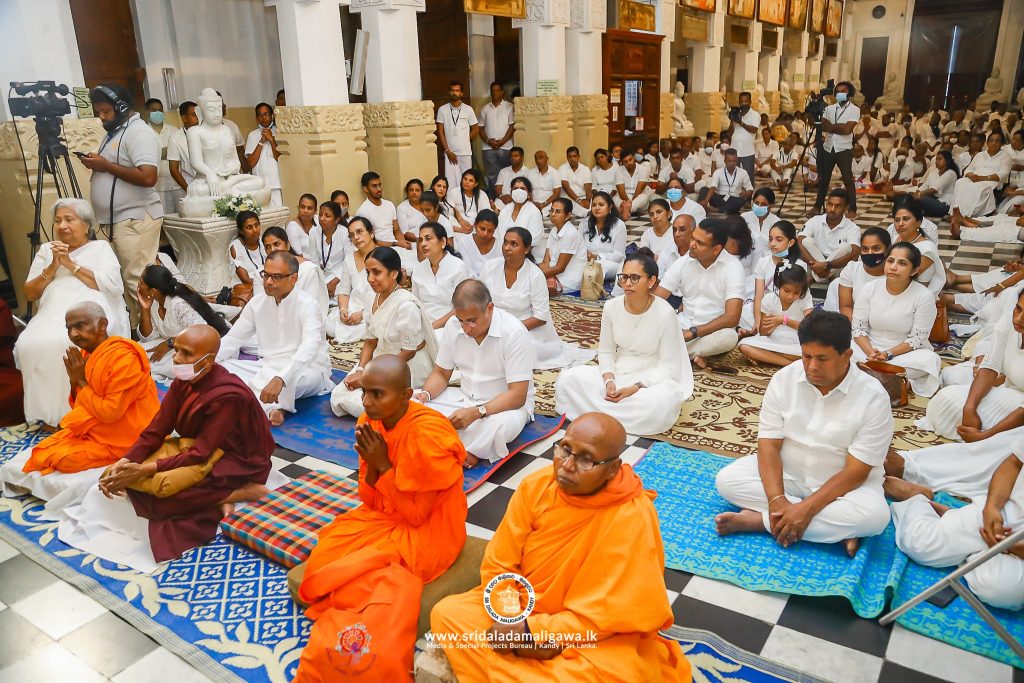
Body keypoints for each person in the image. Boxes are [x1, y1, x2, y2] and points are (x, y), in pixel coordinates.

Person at [430, 412, 691, 682]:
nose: (566, 465)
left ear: (613, 468)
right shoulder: (537, 486)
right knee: (448, 615)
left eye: (586, 459)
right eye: (564, 449)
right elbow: (500, 564)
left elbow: (615, 615)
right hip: (523, 609)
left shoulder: (633, 517)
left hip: (591, 635)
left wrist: (536, 632)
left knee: (614, 673)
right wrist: (510, 618)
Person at [295, 355, 468, 681]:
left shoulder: (428, 434)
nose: (367, 402)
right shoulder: (368, 423)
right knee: (327, 557)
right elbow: (370, 499)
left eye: (378, 394)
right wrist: (374, 465)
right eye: (365, 393)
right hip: (386, 514)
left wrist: (384, 465)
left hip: (430, 528)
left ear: (405, 395)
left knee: (364, 575)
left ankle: (362, 651)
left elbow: (418, 515)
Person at [58, 324, 276, 569]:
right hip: (200, 447)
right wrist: (125, 461)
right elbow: (157, 429)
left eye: (187, 354)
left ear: (209, 360)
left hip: (239, 459)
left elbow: (201, 453)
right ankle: (217, 495)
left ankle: (243, 492)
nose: (177, 358)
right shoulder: (184, 381)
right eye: (177, 349)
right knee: (134, 483)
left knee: (168, 498)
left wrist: (146, 469)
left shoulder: (228, 395)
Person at [716, 311, 893, 556]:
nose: (812, 366)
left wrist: (806, 510)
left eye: (822, 358)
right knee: (727, 481)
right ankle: (830, 532)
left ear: (847, 356)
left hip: (843, 488)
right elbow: (767, 445)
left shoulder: (873, 397)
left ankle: (760, 522)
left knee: (876, 517)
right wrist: (777, 499)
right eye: (806, 356)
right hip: (789, 475)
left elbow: (856, 472)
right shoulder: (783, 379)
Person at [1, 302, 159, 510]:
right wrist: (75, 381)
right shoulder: (87, 355)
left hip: (130, 433)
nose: (74, 333)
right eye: (69, 328)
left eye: (80, 326)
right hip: (100, 428)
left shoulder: (124, 356)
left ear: (102, 324)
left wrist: (80, 381)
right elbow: (79, 405)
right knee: (44, 449)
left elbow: (111, 412)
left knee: (64, 459)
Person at [16, 199, 129, 426]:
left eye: (69, 219)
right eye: (58, 221)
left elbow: (113, 286)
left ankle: (82, 410)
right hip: (52, 310)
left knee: (66, 341)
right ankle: (50, 415)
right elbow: (30, 293)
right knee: (28, 343)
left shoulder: (101, 248)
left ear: (86, 225)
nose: (62, 225)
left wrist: (70, 264)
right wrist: (53, 265)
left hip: (88, 310)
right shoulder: (47, 250)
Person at [555, 251, 693, 435]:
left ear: (651, 281)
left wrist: (635, 388)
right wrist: (609, 379)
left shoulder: (665, 313)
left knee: (663, 401)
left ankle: (602, 413)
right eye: (624, 277)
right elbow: (606, 352)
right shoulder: (612, 306)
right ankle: (617, 414)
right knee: (568, 380)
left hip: (650, 378)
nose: (627, 283)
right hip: (619, 371)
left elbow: (669, 366)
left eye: (635, 278)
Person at [414, 280, 535, 468]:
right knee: (412, 406)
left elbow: (518, 396)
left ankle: (460, 447)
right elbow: (441, 373)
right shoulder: (453, 327)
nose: (466, 328)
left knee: (499, 428)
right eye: (461, 320)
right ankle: (460, 446)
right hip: (463, 399)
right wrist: (426, 394)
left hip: (504, 407)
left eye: (472, 320)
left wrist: (478, 412)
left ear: (490, 308)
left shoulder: (514, 332)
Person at [891, 451, 1024, 610]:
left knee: (1003, 593)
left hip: (1017, 547)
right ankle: (917, 497)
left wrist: (1010, 547)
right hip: (1004, 516)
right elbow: (1014, 462)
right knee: (921, 543)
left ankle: (968, 540)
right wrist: (992, 507)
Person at [218, 251, 334, 425]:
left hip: (307, 370)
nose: (268, 282)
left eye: (276, 277)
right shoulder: (257, 303)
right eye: (266, 275)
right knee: (223, 368)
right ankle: (272, 407)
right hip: (266, 367)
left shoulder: (308, 306)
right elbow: (233, 339)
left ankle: (270, 406)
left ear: (293, 279)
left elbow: (309, 349)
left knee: (292, 382)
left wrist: (282, 378)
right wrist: (209, 362)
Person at [82, 83, 163, 328]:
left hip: (135, 219)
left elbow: (148, 177)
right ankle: (139, 333)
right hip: (119, 222)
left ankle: (157, 335)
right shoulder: (116, 132)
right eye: (98, 112)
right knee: (126, 284)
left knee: (138, 281)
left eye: (106, 111)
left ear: (121, 107)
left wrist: (105, 166)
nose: (102, 117)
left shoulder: (139, 133)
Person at [331, 247, 438, 417]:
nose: (371, 279)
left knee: (370, 403)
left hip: (404, 369)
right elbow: (370, 341)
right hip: (379, 362)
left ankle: (407, 405)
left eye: (377, 272)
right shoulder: (372, 297)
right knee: (339, 395)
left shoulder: (405, 305)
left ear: (394, 273)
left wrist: (372, 377)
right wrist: (360, 370)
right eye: (368, 273)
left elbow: (408, 352)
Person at [482, 227, 593, 370]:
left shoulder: (535, 275)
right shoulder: (490, 267)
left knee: (520, 349)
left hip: (525, 327)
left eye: (513, 244)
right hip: (493, 322)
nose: (507, 248)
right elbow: (479, 299)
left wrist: (511, 329)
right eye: (505, 243)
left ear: (526, 249)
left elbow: (541, 317)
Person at [923, 289, 1024, 441]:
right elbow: (990, 366)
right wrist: (969, 408)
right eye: (1019, 309)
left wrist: (985, 436)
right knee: (945, 399)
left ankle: (999, 440)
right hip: (1006, 392)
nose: (1019, 318)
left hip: (1020, 407)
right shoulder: (1009, 323)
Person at [852, 242, 941, 397]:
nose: (893, 267)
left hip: (903, 353)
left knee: (930, 360)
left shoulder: (924, 296)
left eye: (902, 263)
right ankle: (889, 376)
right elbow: (858, 328)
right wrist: (871, 354)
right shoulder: (869, 288)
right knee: (840, 348)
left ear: (914, 270)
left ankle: (867, 374)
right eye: (890, 261)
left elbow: (918, 339)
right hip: (867, 349)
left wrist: (887, 354)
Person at [656, 219, 744, 367]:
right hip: (681, 326)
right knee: (653, 321)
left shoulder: (733, 267)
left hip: (712, 332)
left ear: (716, 249)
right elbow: (658, 297)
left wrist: (694, 332)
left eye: (700, 243)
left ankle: (668, 351)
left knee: (729, 337)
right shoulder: (684, 261)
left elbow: (732, 317)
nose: (692, 245)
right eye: (692, 239)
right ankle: (692, 354)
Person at [136, 264, 231, 378]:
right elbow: (149, 338)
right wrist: (145, 309)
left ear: (153, 291)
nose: (138, 285)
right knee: (135, 353)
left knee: (148, 366)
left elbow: (201, 331)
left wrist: (170, 343)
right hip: (173, 345)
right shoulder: (153, 302)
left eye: (141, 282)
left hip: (196, 345)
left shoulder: (177, 305)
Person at [739, 262, 814, 367]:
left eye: (796, 293)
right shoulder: (769, 299)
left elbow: (809, 327)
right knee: (744, 346)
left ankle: (766, 357)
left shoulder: (804, 298)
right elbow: (763, 333)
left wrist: (784, 320)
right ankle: (790, 364)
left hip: (796, 343)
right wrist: (771, 325)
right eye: (786, 291)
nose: (790, 296)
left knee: (812, 352)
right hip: (773, 341)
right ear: (779, 285)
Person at [811, 81, 861, 217]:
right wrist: (837, 126)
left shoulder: (854, 110)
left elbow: (847, 129)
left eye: (843, 91)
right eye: (837, 91)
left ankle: (852, 207)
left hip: (844, 148)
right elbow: (823, 126)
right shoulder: (829, 108)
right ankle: (817, 206)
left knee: (847, 179)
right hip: (829, 146)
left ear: (849, 93)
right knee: (824, 178)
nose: (840, 93)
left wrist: (831, 126)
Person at [325, 217, 377, 342]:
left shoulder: (384, 255)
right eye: (352, 235)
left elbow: (388, 294)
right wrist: (343, 310)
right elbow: (344, 290)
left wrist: (363, 315)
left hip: (376, 309)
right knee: (327, 326)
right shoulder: (349, 259)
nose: (356, 237)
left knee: (377, 326)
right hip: (354, 307)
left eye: (360, 232)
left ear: (371, 233)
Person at [412, 222, 470, 334]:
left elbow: (460, 308)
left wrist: (432, 327)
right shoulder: (418, 269)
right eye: (421, 240)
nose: (423, 244)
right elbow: (415, 304)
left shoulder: (458, 267)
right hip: (422, 325)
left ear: (442, 242)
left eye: (428, 238)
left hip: (451, 325)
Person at [261, 226, 329, 322]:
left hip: (302, 321)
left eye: (277, 244)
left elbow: (310, 306)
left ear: (288, 245)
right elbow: (261, 304)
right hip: (272, 319)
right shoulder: (262, 272)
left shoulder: (308, 270)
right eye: (267, 247)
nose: (272, 250)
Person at [950, 132, 1013, 233]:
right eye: (991, 140)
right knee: (960, 182)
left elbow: (1001, 175)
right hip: (974, 179)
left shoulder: (1006, 157)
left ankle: (967, 216)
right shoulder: (980, 155)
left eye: (997, 141)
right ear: (987, 143)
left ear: (1001, 144)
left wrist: (981, 178)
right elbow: (968, 170)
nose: (994, 143)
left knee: (977, 187)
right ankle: (957, 213)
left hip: (990, 182)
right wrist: (971, 176)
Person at [797, 188, 862, 283]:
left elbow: (855, 253)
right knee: (806, 241)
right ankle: (827, 276)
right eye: (830, 204)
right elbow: (799, 241)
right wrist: (816, 266)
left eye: (838, 206)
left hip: (838, 266)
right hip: (814, 262)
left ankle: (815, 278)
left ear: (846, 208)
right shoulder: (815, 220)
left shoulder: (852, 228)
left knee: (846, 247)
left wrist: (828, 265)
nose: (832, 209)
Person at [825, 227, 891, 317]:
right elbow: (846, 307)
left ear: (888, 250)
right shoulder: (852, 269)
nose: (870, 253)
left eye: (876, 248)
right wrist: (857, 328)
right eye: (865, 249)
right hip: (855, 322)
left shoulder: (894, 272)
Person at [355, 171, 413, 268]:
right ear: (366, 189)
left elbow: (397, 230)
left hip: (396, 246)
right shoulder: (363, 211)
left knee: (420, 261)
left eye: (380, 185)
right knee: (407, 267)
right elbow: (371, 241)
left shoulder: (389, 204)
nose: (379, 189)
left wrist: (403, 244)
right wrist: (396, 244)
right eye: (374, 186)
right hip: (378, 250)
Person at [889, 196, 945, 296]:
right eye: (897, 220)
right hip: (896, 290)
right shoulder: (896, 239)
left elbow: (903, 277)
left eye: (906, 219)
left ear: (918, 222)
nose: (900, 224)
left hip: (916, 298)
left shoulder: (927, 248)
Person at [436, 80, 479, 191]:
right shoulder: (442, 109)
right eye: (452, 90)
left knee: (467, 181)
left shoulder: (468, 109)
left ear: (461, 93)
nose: (454, 93)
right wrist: (447, 151)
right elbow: (440, 132)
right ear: (449, 92)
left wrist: (465, 140)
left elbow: (475, 129)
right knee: (451, 183)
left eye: (457, 90)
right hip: (450, 153)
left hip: (465, 152)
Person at [540, 198, 587, 293]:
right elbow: (545, 262)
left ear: (568, 215)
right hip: (553, 273)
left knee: (528, 286)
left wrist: (536, 275)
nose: (553, 214)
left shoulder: (571, 233)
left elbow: (560, 268)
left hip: (569, 279)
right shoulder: (553, 231)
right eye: (552, 210)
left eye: (558, 212)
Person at [144, 98, 181, 215]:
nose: (158, 113)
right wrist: (164, 152)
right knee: (163, 219)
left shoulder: (174, 130)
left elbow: (181, 153)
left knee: (182, 217)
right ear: (147, 112)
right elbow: (145, 156)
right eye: (154, 110)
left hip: (177, 183)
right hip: (157, 186)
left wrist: (162, 153)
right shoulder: (143, 132)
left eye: (160, 110)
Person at [305, 201, 347, 300]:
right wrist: (319, 280)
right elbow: (314, 260)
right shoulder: (314, 232)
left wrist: (335, 280)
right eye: (320, 215)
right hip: (324, 274)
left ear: (336, 219)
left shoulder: (344, 233)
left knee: (340, 292)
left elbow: (350, 261)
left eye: (327, 216)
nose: (322, 218)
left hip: (342, 273)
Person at [497, 176, 546, 260]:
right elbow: (499, 234)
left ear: (528, 194)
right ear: (511, 192)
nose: (519, 191)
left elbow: (534, 239)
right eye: (515, 188)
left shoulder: (534, 212)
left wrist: (515, 253)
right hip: (504, 253)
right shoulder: (505, 210)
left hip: (528, 256)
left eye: (523, 189)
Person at [583, 191, 628, 282]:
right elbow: (578, 245)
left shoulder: (619, 225)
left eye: (601, 205)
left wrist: (596, 256)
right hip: (587, 262)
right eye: (594, 205)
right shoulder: (585, 223)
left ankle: (593, 290)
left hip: (611, 264)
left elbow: (618, 255)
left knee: (599, 266)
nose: (597, 208)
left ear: (610, 207)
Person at [244, 103, 283, 207]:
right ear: (257, 118)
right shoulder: (252, 135)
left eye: (266, 114)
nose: (264, 117)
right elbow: (251, 162)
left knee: (278, 214)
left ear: (272, 115)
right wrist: (261, 142)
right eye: (260, 115)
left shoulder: (280, 131)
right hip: (259, 184)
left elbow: (280, 158)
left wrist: (271, 140)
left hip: (276, 183)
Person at [479, 81, 515, 192]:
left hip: (506, 147)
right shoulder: (485, 108)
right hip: (488, 148)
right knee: (491, 176)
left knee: (507, 173)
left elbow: (512, 127)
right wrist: (488, 141)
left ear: (502, 92)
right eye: (492, 90)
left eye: (497, 90)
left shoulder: (509, 107)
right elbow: (480, 128)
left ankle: (506, 196)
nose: (495, 93)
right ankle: (493, 199)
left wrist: (501, 142)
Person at [699, 149, 753, 215]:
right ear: (725, 161)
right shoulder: (718, 172)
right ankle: (702, 208)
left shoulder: (743, 172)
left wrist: (745, 195)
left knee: (741, 201)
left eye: (734, 161)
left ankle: (716, 210)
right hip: (720, 198)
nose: (732, 163)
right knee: (704, 189)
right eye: (730, 161)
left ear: (737, 161)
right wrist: (706, 201)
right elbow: (713, 187)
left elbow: (750, 189)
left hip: (734, 199)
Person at [454, 209, 501, 278]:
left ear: (495, 230)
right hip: (471, 283)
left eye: (490, 231)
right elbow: (467, 270)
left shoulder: (500, 246)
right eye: (482, 229)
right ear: (475, 225)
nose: (485, 233)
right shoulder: (464, 242)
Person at [167, 100, 198, 198]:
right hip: (191, 186)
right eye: (194, 115)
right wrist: (188, 189)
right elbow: (173, 169)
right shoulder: (175, 138)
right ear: (184, 118)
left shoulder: (206, 132)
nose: (198, 118)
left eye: (199, 114)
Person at [914, 150, 959, 218]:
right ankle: (921, 211)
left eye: (940, 159)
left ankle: (921, 211)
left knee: (921, 199)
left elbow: (935, 189)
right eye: (936, 159)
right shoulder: (934, 172)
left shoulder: (951, 173)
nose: (936, 161)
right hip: (932, 200)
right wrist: (917, 192)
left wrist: (919, 194)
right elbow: (925, 185)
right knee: (910, 195)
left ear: (947, 161)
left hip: (944, 204)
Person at [228, 210, 266, 286]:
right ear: (241, 231)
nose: (255, 230)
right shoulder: (236, 247)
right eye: (249, 227)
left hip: (268, 285)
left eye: (256, 225)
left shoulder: (264, 241)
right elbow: (245, 279)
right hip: (247, 288)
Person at [729, 91, 761, 179]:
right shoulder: (736, 113)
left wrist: (740, 122)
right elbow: (730, 133)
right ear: (739, 102)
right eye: (741, 101)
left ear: (750, 102)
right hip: (734, 150)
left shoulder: (755, 115)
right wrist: (732, 120)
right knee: (734, 177)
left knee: (748, 178)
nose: (743, 104)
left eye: (746, 101)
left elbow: (754, 130)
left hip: (747, 152)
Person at [558, 145, 593, 218]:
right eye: (570, 157)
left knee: (592, 205)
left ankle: (588, 213)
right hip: (569, 197)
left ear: (578, 157)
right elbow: (566, 187)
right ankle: (587, 214)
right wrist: (578, 200)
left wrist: (588, 201)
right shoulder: (562, 168)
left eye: (574, 156)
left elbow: (588, 188)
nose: (572, 159)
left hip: (583, 197)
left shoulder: (585, 169)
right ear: (567, 157)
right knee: (572, 206)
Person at [613, 151, 650, 217]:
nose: (629, 163)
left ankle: (627, 210)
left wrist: (630, 204)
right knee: (615, 198)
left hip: (639, 197)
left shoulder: (643, 169)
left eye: (630, 159)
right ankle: (627, 211)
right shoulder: (618, 171)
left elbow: (640, 189)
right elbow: (621, 192)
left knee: (644, 196)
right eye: (625, 161)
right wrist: (628, 202)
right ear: (622, 162)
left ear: (634, 158)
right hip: (624, 197)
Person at [529, 150, 562, 217]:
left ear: (547, 159)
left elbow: (557, 194)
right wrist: (533, 203)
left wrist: (543, 204)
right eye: (536, 159)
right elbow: (528, 191)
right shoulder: (530, 173)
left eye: (541, 158)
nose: (538, 161)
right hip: (533, 205)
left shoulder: (555, 173)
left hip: (549, 205)